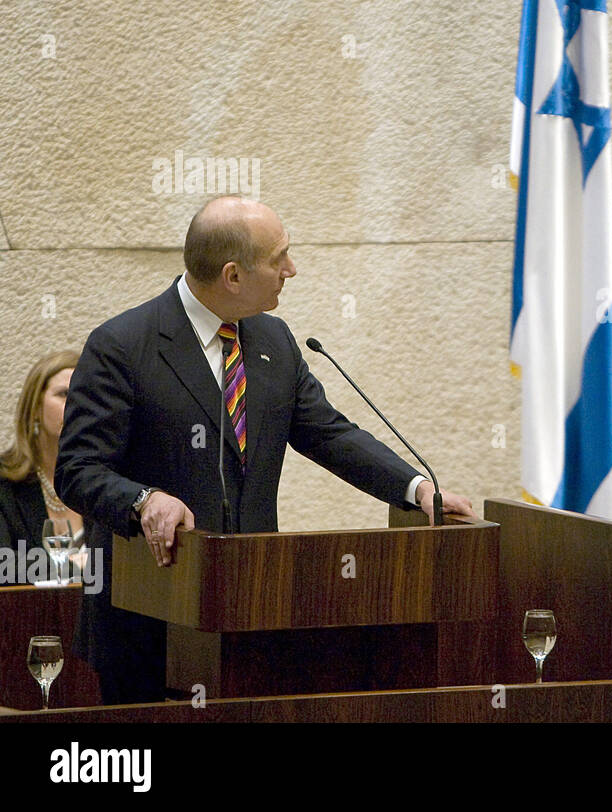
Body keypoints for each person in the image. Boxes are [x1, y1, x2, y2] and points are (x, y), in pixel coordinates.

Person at [55, 195, 474, 703]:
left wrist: (416, 489)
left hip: (252, 607)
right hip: (148, 615)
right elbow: (77, 470)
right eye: (279, 258)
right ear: (233, 275)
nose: (291, 270)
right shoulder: (123, 345)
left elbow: (328, 433)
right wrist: (144, 500)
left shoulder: (273, 338)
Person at [1, 351, 85, 569]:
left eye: (85, 395)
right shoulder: (5, 481)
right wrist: (71, 567)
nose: (77, 405)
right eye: (65, 394)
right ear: (35, 408)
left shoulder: (103, 481)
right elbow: (4, 565)